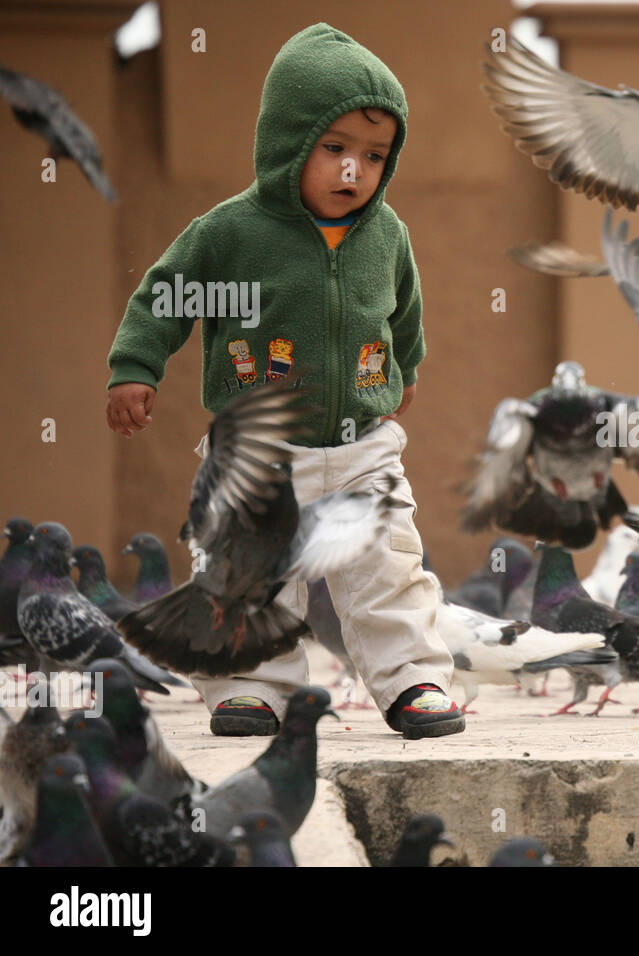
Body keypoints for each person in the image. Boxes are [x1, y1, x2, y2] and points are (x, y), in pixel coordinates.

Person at [104, 23, 464, 740]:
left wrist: (407, 371)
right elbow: (164, 296)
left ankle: (413, 681)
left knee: (389, 567)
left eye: (373, 155)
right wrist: (136, 367)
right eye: (333, 149)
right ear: (286, 142)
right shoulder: (231, 233)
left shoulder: (386, 235)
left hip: (363, 446)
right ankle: (249, 687)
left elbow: (403, 314)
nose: (353, 171)